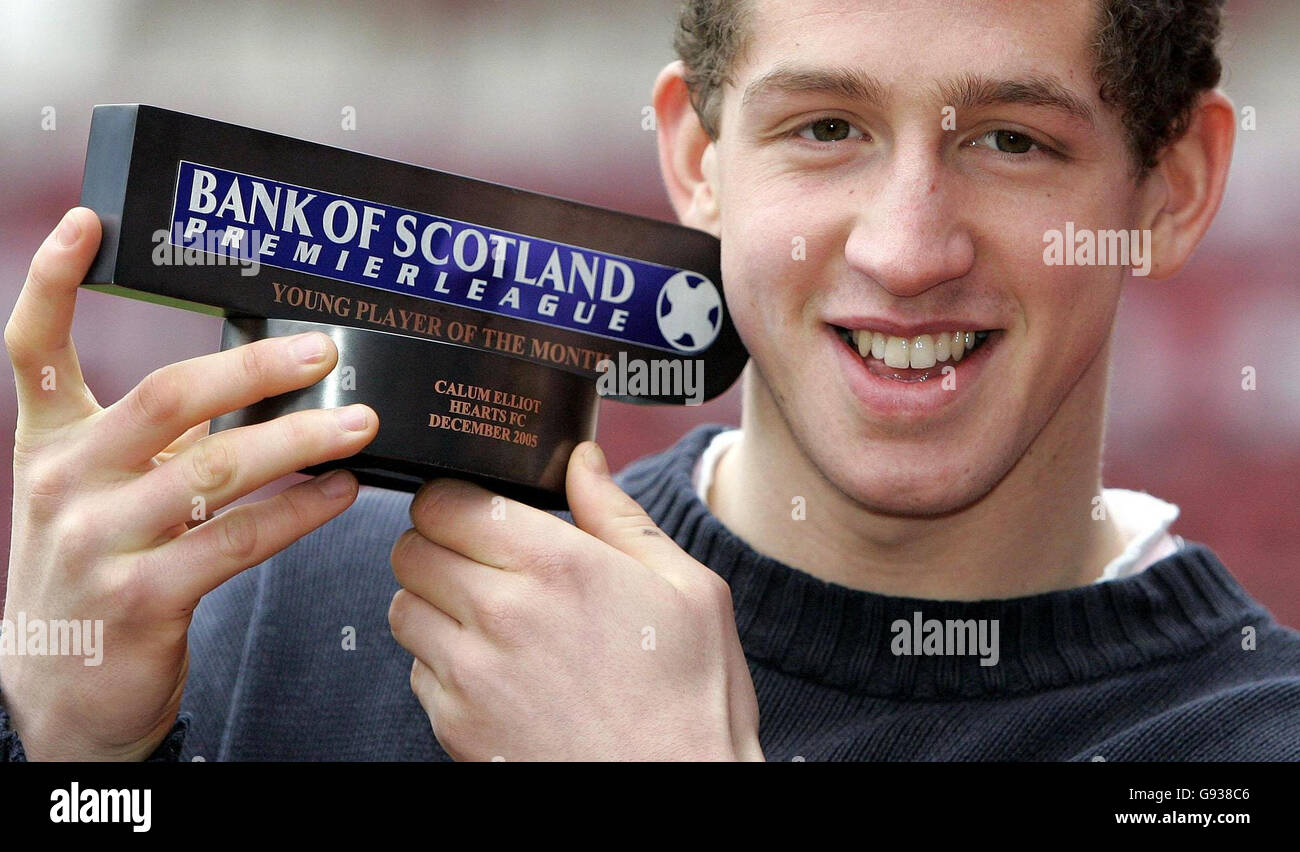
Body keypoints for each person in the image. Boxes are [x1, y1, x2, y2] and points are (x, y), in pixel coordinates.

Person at [3, 0, 1298, 762]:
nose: (907, 251)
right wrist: (70, 752)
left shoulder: (1240, 751)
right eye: (826, 130)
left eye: (1013, 142)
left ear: (1171, 190)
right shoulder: (311, 598)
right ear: (695, 156)